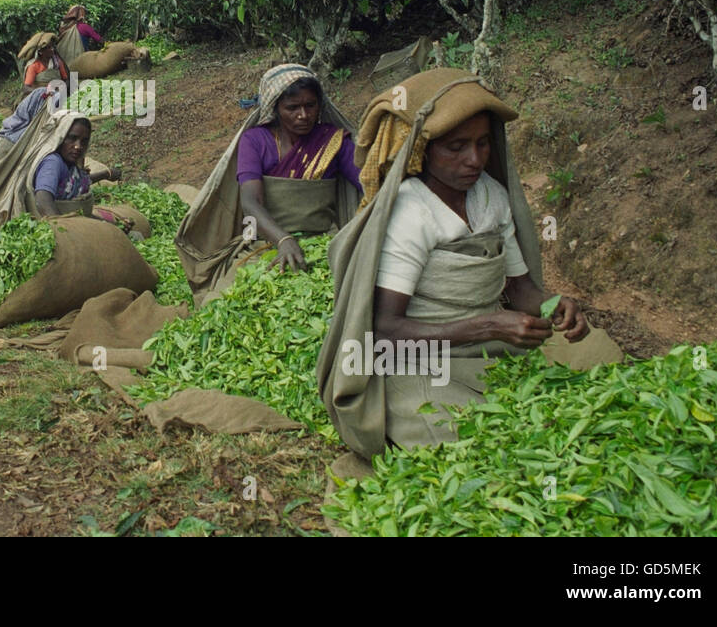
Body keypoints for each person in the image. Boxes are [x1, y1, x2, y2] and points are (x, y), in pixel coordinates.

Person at [316, 68, 596, 458]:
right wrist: (487, 325)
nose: (474, 159)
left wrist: (554, 305)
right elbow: (382, 331)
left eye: (483, 144)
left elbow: (518, 288)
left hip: (487, 353)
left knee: (557, 418)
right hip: (415, 360)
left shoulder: (492, 198)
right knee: (468, 440)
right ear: (422, 150)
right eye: (456, 147)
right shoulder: (410, 213)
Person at [176, 64, 362, 303]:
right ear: (275, 108)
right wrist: (283, 240)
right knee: (226, 305)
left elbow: (367, 182)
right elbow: (250, 202)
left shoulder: (334, 141)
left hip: (322, 242)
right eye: (292, 108)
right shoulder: (256, 141)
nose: (303, 115)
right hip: (265, 244)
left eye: (310, 106)